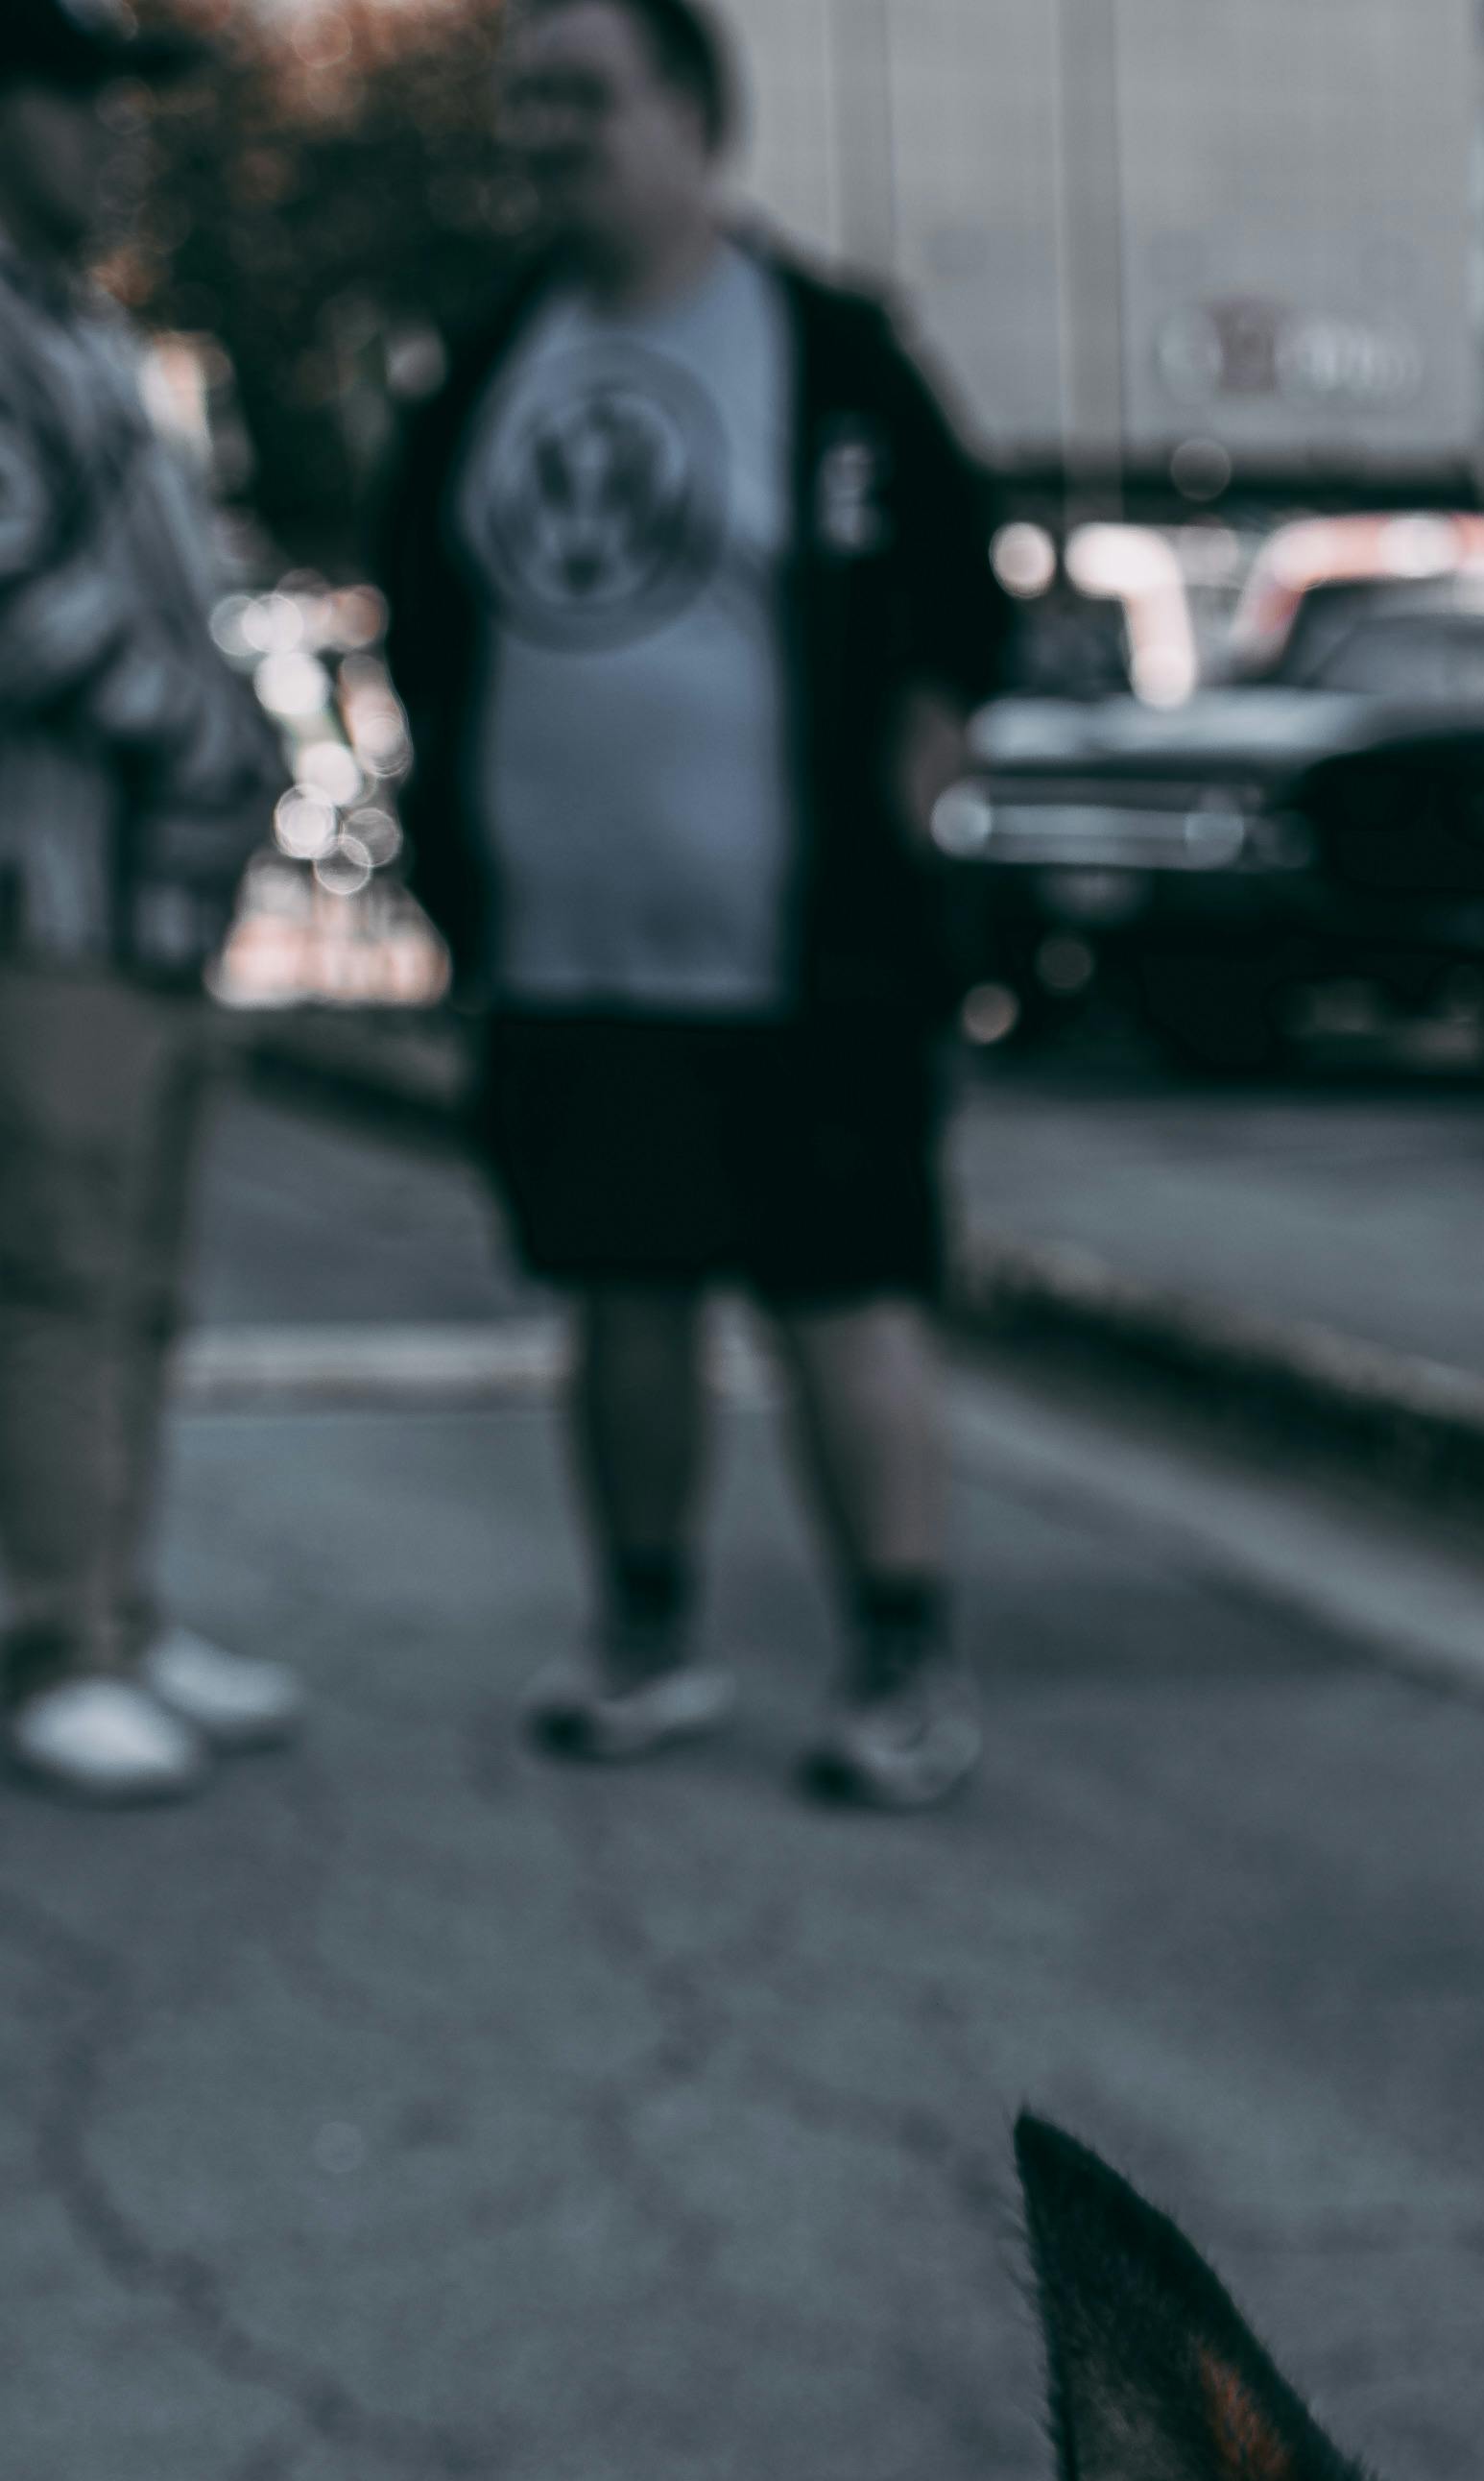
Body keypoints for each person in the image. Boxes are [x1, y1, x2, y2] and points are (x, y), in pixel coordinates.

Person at [381, 0, 999, 1807]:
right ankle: (646, 1633)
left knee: (846, 1296)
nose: (550, 133)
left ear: (693, 114)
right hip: (572, 957)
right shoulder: (490, 358)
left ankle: (899, 1655)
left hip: (808, 962)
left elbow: (961, 607)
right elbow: (423, 617)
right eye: (527, 104)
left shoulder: (829, 346)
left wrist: (912, 785)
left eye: (585, 95)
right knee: (619, 1292)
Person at [0, 0, 293, 1805]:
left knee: (134, 1282)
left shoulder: (78, 320)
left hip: (144, 906)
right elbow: (20, 591)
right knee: (57, 1274)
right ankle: (51, 1638)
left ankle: (112, 1603)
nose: (114, 133)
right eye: (76, 93)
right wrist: (207, 735)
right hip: (53, 898)